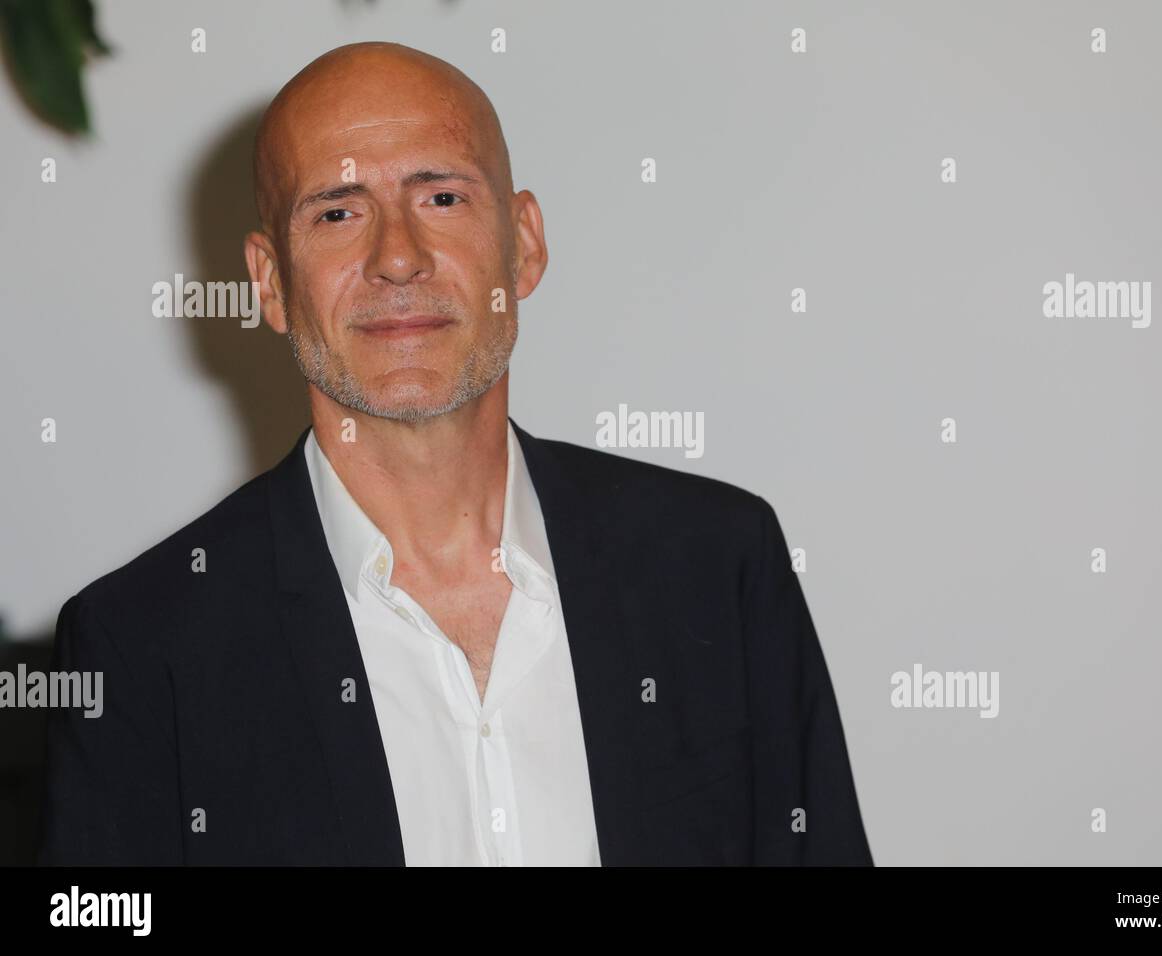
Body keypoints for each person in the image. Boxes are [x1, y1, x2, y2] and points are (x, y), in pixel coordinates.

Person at [38, 42, 871, 866]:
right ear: (270, 284)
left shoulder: (718, 565)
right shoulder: (144, 646)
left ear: (526, 243)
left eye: (440, 197)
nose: (396, 256)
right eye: (337, 211)